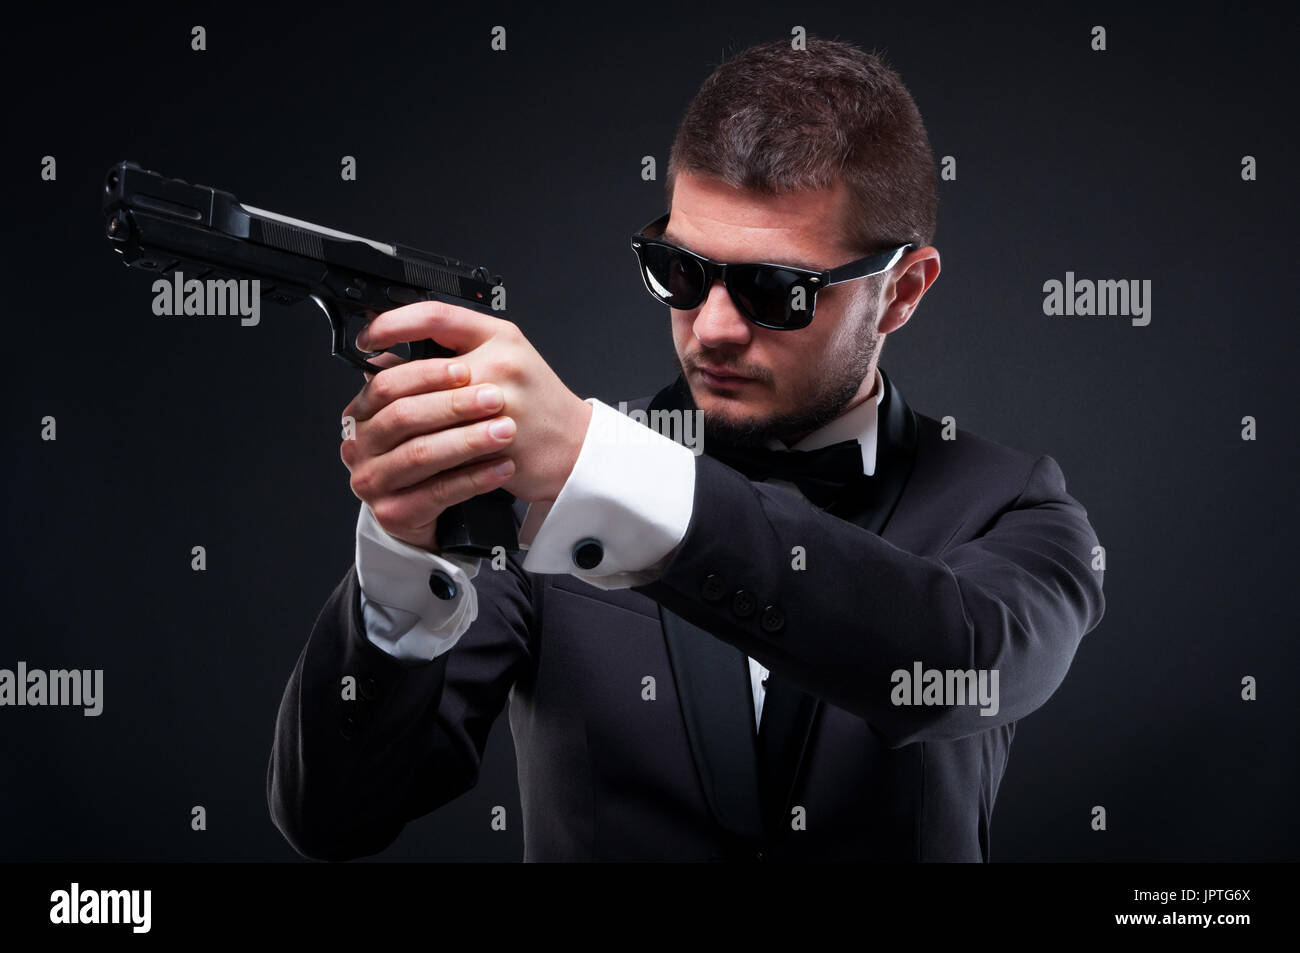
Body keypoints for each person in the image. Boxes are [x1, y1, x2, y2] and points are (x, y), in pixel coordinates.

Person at [267, 36, 1105, 862]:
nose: (711, 329)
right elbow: (337, 817)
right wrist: (405, 553)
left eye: (777, 290)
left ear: (902, 291)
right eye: (679, 269)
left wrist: (599, 463)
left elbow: (960, 663)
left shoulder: (1013, 502)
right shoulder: (529, 490)